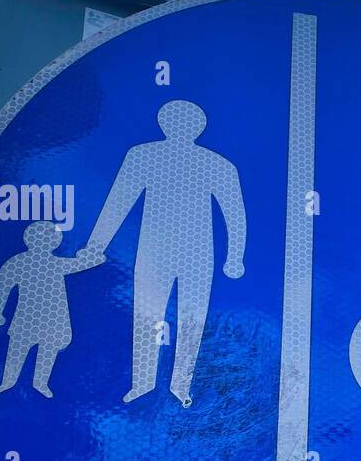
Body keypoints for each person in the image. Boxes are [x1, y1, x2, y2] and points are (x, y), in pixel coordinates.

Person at [82, 100, 247, 407]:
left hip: (197, 252)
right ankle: (142, 384)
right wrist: (96, 246)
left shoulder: (217, 164)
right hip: (155, 251)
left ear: (199, 128)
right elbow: (118, 202)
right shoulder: (143, 156)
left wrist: (235, 256)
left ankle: (181, 387)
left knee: (192, 320)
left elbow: (233, 212)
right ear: (163, 123)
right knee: (147, 315)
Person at [0, 221, 102, 397]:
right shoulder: (18, 262)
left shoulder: (55, 263)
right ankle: (8, 382)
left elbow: (78, 265)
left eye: (49, 238)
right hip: (26, 317)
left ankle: (40, 383)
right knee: (17, 348)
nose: (44, 241)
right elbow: (2, 286)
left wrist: (93, 259)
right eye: (40, 237)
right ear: (29, 239)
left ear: (55, 242)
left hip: (53, 319)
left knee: (48, 350)